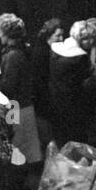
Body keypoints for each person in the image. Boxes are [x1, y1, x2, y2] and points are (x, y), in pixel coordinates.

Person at [0, 14, 42, 170]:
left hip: (16, 109)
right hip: (23, 107)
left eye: (1, 32)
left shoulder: (12, 56)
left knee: (17, 154)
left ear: (7, 35)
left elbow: (7, 88)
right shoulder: (21, 51)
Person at [47, 32, 95, 148]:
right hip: (74, 108)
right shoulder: (76, 62)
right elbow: (83, 84)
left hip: (58, 106)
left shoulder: (56, 59)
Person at [30, 18, 64, 147]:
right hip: (44, 103)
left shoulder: (46, 50)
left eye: (62, 35)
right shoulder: (42, 54)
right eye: (58, 35)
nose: (61, 39)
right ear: (48, 36)